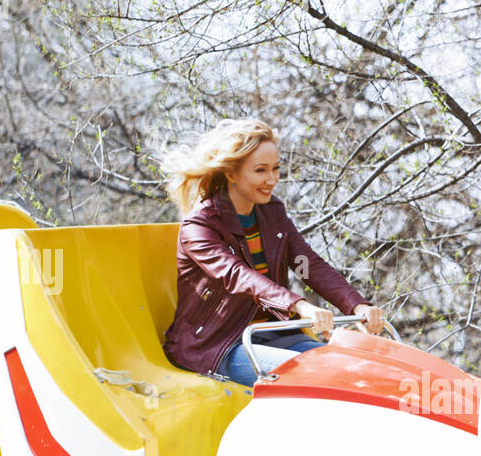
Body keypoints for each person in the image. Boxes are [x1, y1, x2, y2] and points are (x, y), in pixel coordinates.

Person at [160, 118, 385, 384]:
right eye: (260, 170)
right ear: (231, 173)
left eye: (276, 169)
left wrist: (355, 303)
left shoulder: (271, 215)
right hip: (219, 345)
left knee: (351, 370)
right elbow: (237, 276)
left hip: (275, 334)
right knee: (314, 376)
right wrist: (298, 305)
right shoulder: (199, 226)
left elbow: (305, 264)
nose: (271, 179)